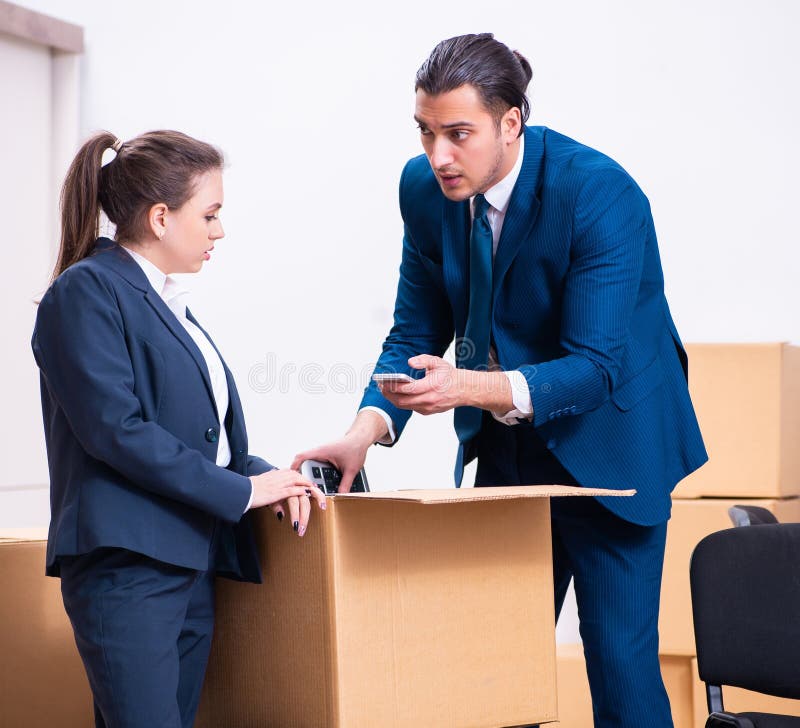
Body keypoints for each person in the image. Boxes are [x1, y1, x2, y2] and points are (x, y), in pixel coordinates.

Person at [293, 33, 707, 728]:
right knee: (488, 668)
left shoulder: (598, 192)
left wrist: (467, 388)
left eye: (458, 134)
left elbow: (595, 367)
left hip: (615, 444)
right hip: (511, 449)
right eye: (425, 133)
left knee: (619, 665)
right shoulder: (426, 190)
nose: (438, 157)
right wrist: (364, 430)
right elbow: (413, 332)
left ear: (511, 121)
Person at [32, 129, 326, 728]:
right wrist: (245, 492)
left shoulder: (170, 304)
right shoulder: (85, 292)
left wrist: (273, 477)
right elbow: (116, 430)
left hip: (187, 563)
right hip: (128, 569)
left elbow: (201, 442)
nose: (220, 231)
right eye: (211, 214)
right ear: (161, 217)